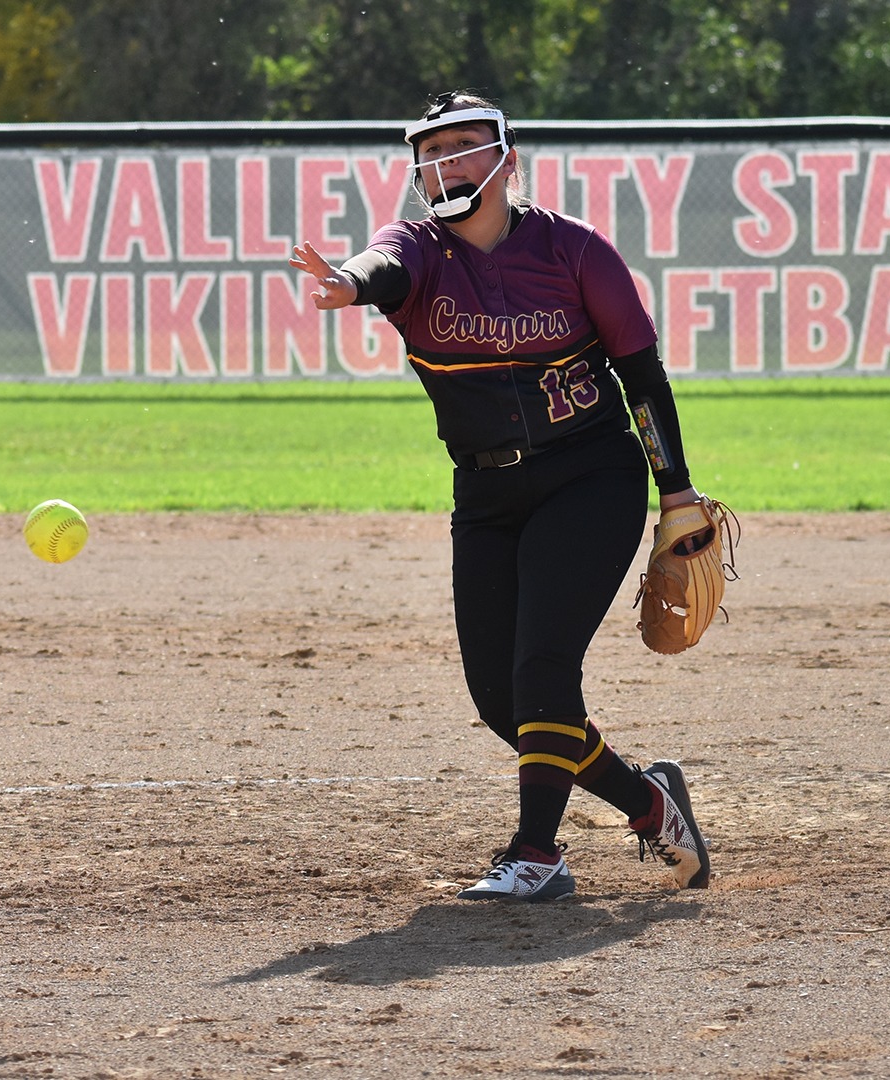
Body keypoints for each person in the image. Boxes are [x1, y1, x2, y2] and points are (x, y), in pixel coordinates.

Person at [289, 91, 714, 902]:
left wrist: (679, 493)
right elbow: (381, 267)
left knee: (544, 666)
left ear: (505, 159)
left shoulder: (575, 252)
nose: (447, 163)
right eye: (432, 152)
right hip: (485, 492)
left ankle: (537, 853)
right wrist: (348, 282)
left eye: (465, 147)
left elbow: (642, 379)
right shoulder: (413, 251)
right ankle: (650, 804)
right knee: (503, 700)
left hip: (591, 478)